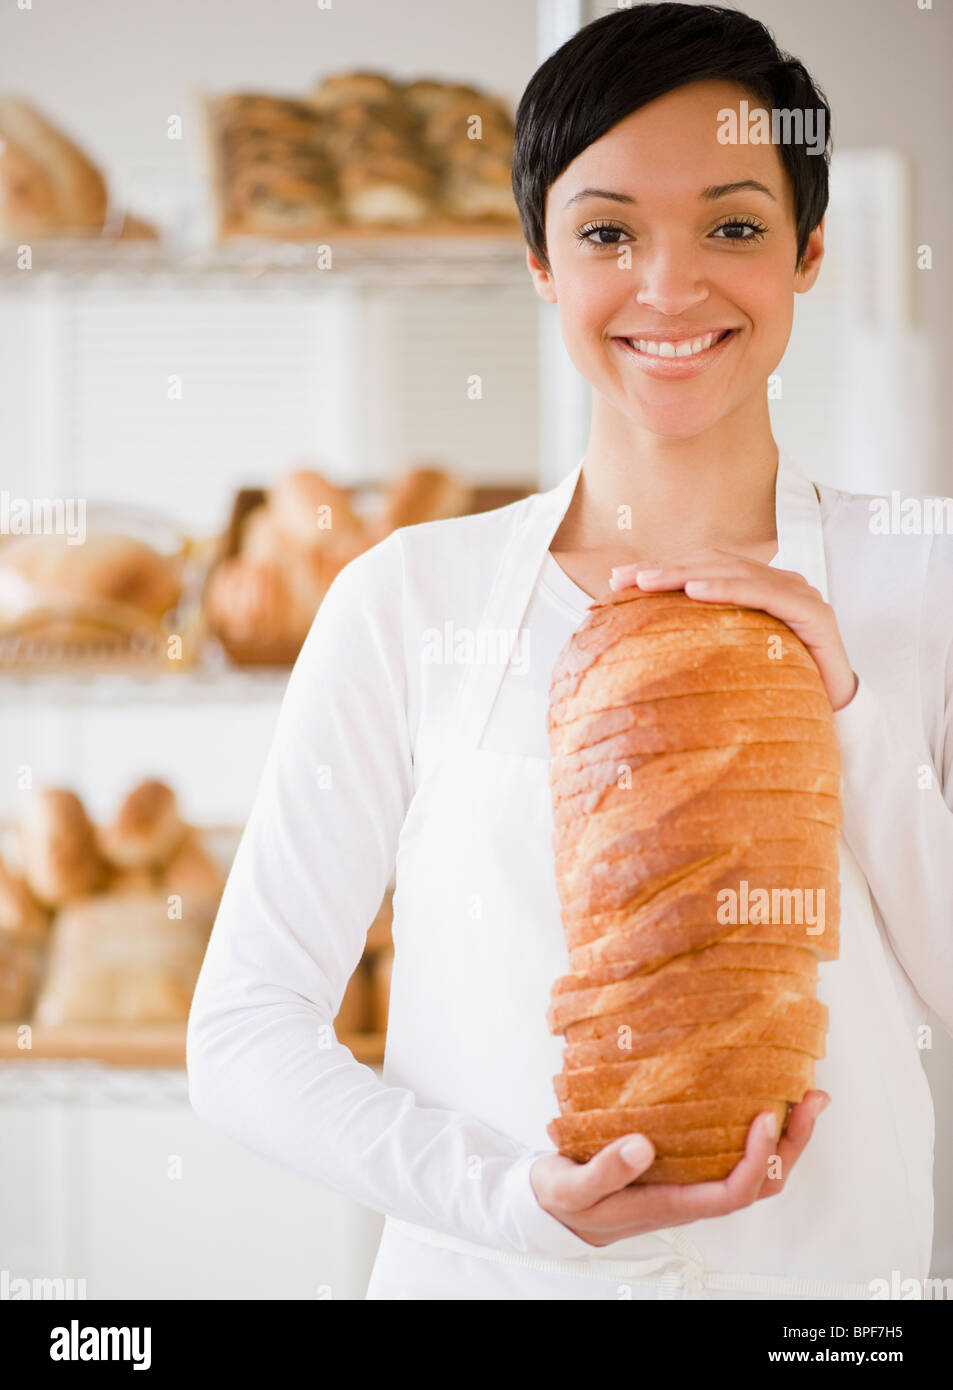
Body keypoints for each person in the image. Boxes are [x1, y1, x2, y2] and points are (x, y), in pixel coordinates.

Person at [187, 3, 952, 1299]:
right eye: (606, 232)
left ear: (807, 250)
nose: (668, 285)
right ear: (539, 256)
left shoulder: (922, 575)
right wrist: (512, 1202)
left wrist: (845, 710)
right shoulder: (410, 601)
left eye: (732, 226)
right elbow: (243, 1033)